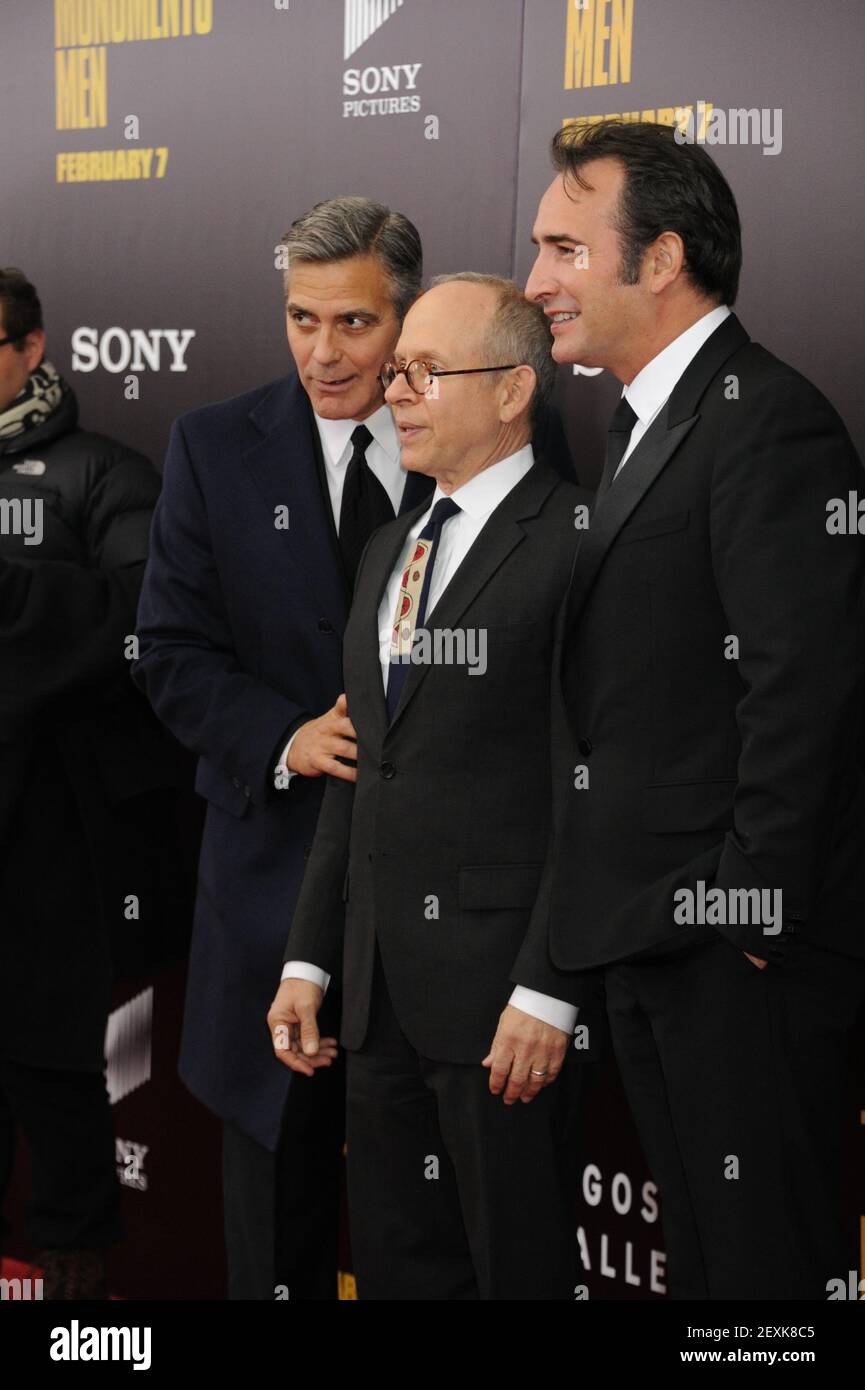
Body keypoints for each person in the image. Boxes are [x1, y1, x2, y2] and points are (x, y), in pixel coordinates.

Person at [512, 119, 865, 1300]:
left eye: (563, 247)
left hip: (735, 954)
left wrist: (750, 908)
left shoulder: (767, 418)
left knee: (767, 1273)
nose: (535, 282)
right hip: (646, 935)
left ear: (658, 259)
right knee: (712, 1270)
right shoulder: (630, 427)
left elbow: (804, 687)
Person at [269, 273, 591, 1300]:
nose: (392, 390)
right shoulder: (387, 549)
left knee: (515, 1271)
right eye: (394, 368)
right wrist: (312, 960)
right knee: (404, 1268)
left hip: (506, 1010)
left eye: (421, 370)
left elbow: (597, 785)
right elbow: (363, 768)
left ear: (512, 391)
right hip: (376, 1005)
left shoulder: (582, 544)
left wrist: (548, 983)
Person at [0, 268, 180, 1298]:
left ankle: (80, 1312)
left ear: (31, 350)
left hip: (54, 865)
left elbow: (140, 623)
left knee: (60, 1091)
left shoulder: (103, 474)